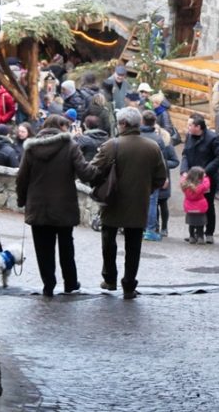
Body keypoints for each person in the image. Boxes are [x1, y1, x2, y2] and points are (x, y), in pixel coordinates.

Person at [89, 107, 168, 299]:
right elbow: (161, 177)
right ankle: (129, 285)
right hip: (139, 203)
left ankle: (110, 279)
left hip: (112, 201)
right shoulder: (152, 147)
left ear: (123, 124)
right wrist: (145, 190)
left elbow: (93, 171)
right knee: (134, 246)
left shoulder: (110, 146)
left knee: (108, 240)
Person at [15, 114, 96, 297]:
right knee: (66, 247)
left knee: (43, 248)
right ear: (60, 127)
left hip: (38, 206)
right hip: (63, 206)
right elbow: (85, 173)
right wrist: (101, 168)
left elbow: (22, 178)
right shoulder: (70, 146)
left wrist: (22, 200)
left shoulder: (31, 148)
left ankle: (48, 284)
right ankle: (70, 283)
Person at [179, 113, 219, 244]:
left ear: (198, 127)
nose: (187, 127)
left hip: (208, 177)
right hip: (191, 177)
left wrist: (205, 171)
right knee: (192, 204)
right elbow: (185, 154)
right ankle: (194, 232)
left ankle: (209, 232)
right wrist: (183, 171)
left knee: (208, 204)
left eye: (190, 125)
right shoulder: (189, 136)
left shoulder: (212, 138)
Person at [139, 109, 179, 239]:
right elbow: (160, 161)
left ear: (142, 121)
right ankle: (150, 230)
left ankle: (143, 227)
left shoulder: (136, 135)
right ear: (154, 122)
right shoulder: (158, 140)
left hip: (138, 175)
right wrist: (163, 177)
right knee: (152, 203)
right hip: (153, 176)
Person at [180, 166, 210, 244]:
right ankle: (200, 237)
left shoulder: (185, 185)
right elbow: (207, 184)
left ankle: (191, 237)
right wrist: (205, 177)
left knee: (191, 224)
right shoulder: (201, 186)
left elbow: (182, 180)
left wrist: (184, 176)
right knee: (200, 224)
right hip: (200, 208)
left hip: (189, 208)